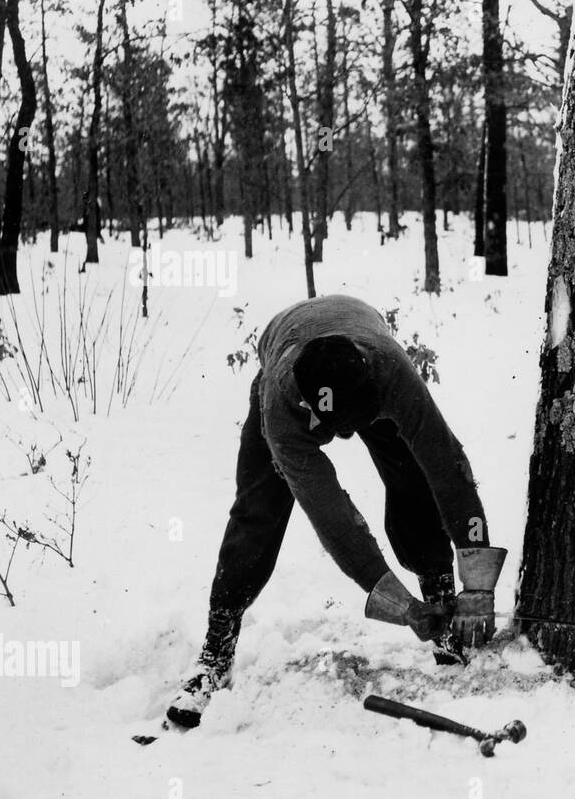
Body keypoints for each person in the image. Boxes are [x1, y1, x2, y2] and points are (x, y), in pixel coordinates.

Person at [168, 294, 505, 728]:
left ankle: (442, 604)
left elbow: (447, 465)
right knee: (258, 512)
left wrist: (478, 584)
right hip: (286, 357)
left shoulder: (390, 373)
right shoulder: (281, 407)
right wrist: (401, 605)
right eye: (341, 428)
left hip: (361, 356)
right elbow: (333, 517)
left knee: (415, 481)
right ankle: (215, 653)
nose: (347, 437)